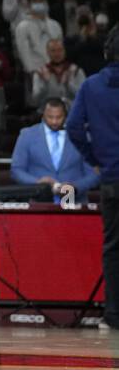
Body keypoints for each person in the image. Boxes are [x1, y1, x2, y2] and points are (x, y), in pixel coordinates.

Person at [65, 26, 119, 330]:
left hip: (112, 178)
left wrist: (95, 159)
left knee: (113, 249)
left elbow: (74, 128)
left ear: (105, 53)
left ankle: (114, 315)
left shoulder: (91, 85)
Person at [11, 98, 100, 203]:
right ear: (43, 115)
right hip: (39, 202)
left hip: (73, 202)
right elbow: (16, 170)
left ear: (66, 116)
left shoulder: (82, 137)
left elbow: (94, 174)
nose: (54, 121)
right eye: (50, 117)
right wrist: (37, 183)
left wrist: (75, 187)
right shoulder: (27, 135)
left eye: (59, 117)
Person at [30, 39, 86, 108]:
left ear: (65, 51)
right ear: (47, 52)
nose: (57, 54)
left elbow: (84, 97)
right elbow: (35, 100)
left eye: (60, 50)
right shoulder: (40, 72)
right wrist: (45, 83)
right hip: (47, 113)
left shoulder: (76, 71)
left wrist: (69, 84)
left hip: (71, 112)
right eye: (53, 51)